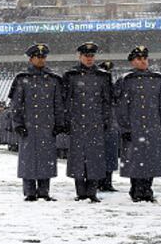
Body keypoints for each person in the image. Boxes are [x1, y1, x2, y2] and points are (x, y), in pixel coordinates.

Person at [9, 43, 66, 201]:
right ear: (31, 59)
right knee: (28, 161)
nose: (41, 60)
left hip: (47, 127)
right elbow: (16, 105)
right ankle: (29, 192)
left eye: (43, 57)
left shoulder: (53, 79)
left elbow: (58, 105)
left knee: (46, 160)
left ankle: (44, 192)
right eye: (37, 57)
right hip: (28, 127)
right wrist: (18, 124)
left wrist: (59, 124)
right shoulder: (22, 79)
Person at [115, 46, 161, 202]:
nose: (143, 61)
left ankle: (147, 190)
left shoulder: (158, 79)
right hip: (134, 126)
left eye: (145, 58)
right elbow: (121, 106)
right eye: (139, 59)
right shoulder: (126, 80)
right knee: (135, 160)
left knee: (151, 160)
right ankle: (136, 190)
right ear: (132, 62)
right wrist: (124, 127)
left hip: (153, 126)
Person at [62, 43, 112, 203]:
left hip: (96, 122)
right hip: (77, 122)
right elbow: (66, 100)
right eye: (86, 56)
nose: (89, 59)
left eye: (92, 56)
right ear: (80, 56)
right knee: (78, 159)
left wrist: (106, 120)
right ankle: (80, 192)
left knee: (95, 158)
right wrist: (67, 120)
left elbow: (107, 101)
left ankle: (92, 191)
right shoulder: (71, 75)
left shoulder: (103, 76)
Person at [97, 60, 119, 192]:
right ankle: (98, 181)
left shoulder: (113, 87)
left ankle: (107, 182)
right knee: (98, 155)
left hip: (111, 125)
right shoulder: (96, 87)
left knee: (110, 156)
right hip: (98, 125)